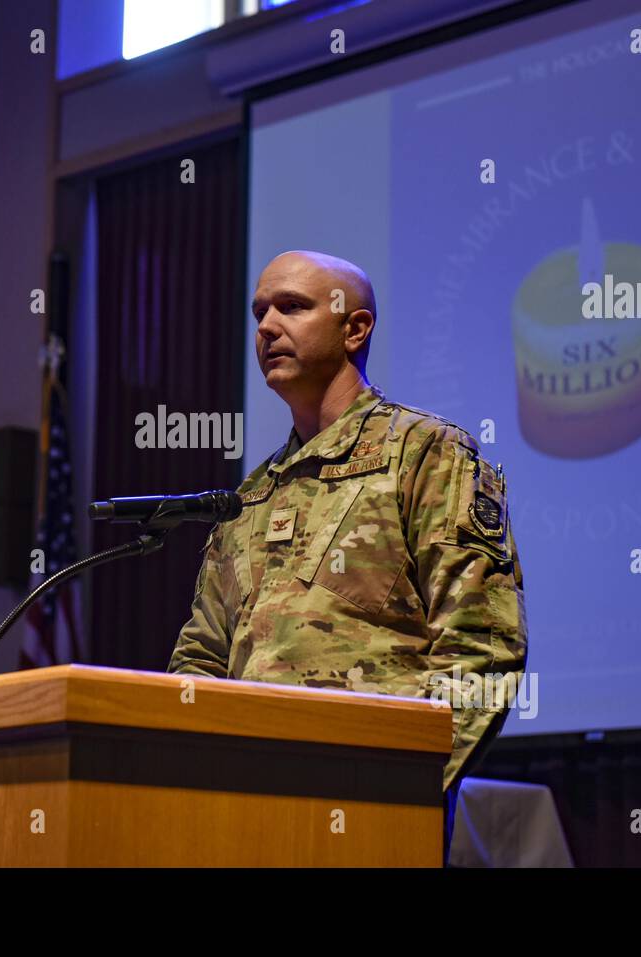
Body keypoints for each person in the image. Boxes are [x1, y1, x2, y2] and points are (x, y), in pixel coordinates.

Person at [167, 250, 528, 865]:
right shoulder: (249, 496)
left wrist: (404, 792)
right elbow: (200, 659)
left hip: (371, 815)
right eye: (259, 311)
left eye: (292, 307)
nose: (266, 326)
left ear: (354, 328)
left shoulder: (426, 453)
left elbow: (482, 648)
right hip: (239, 817)